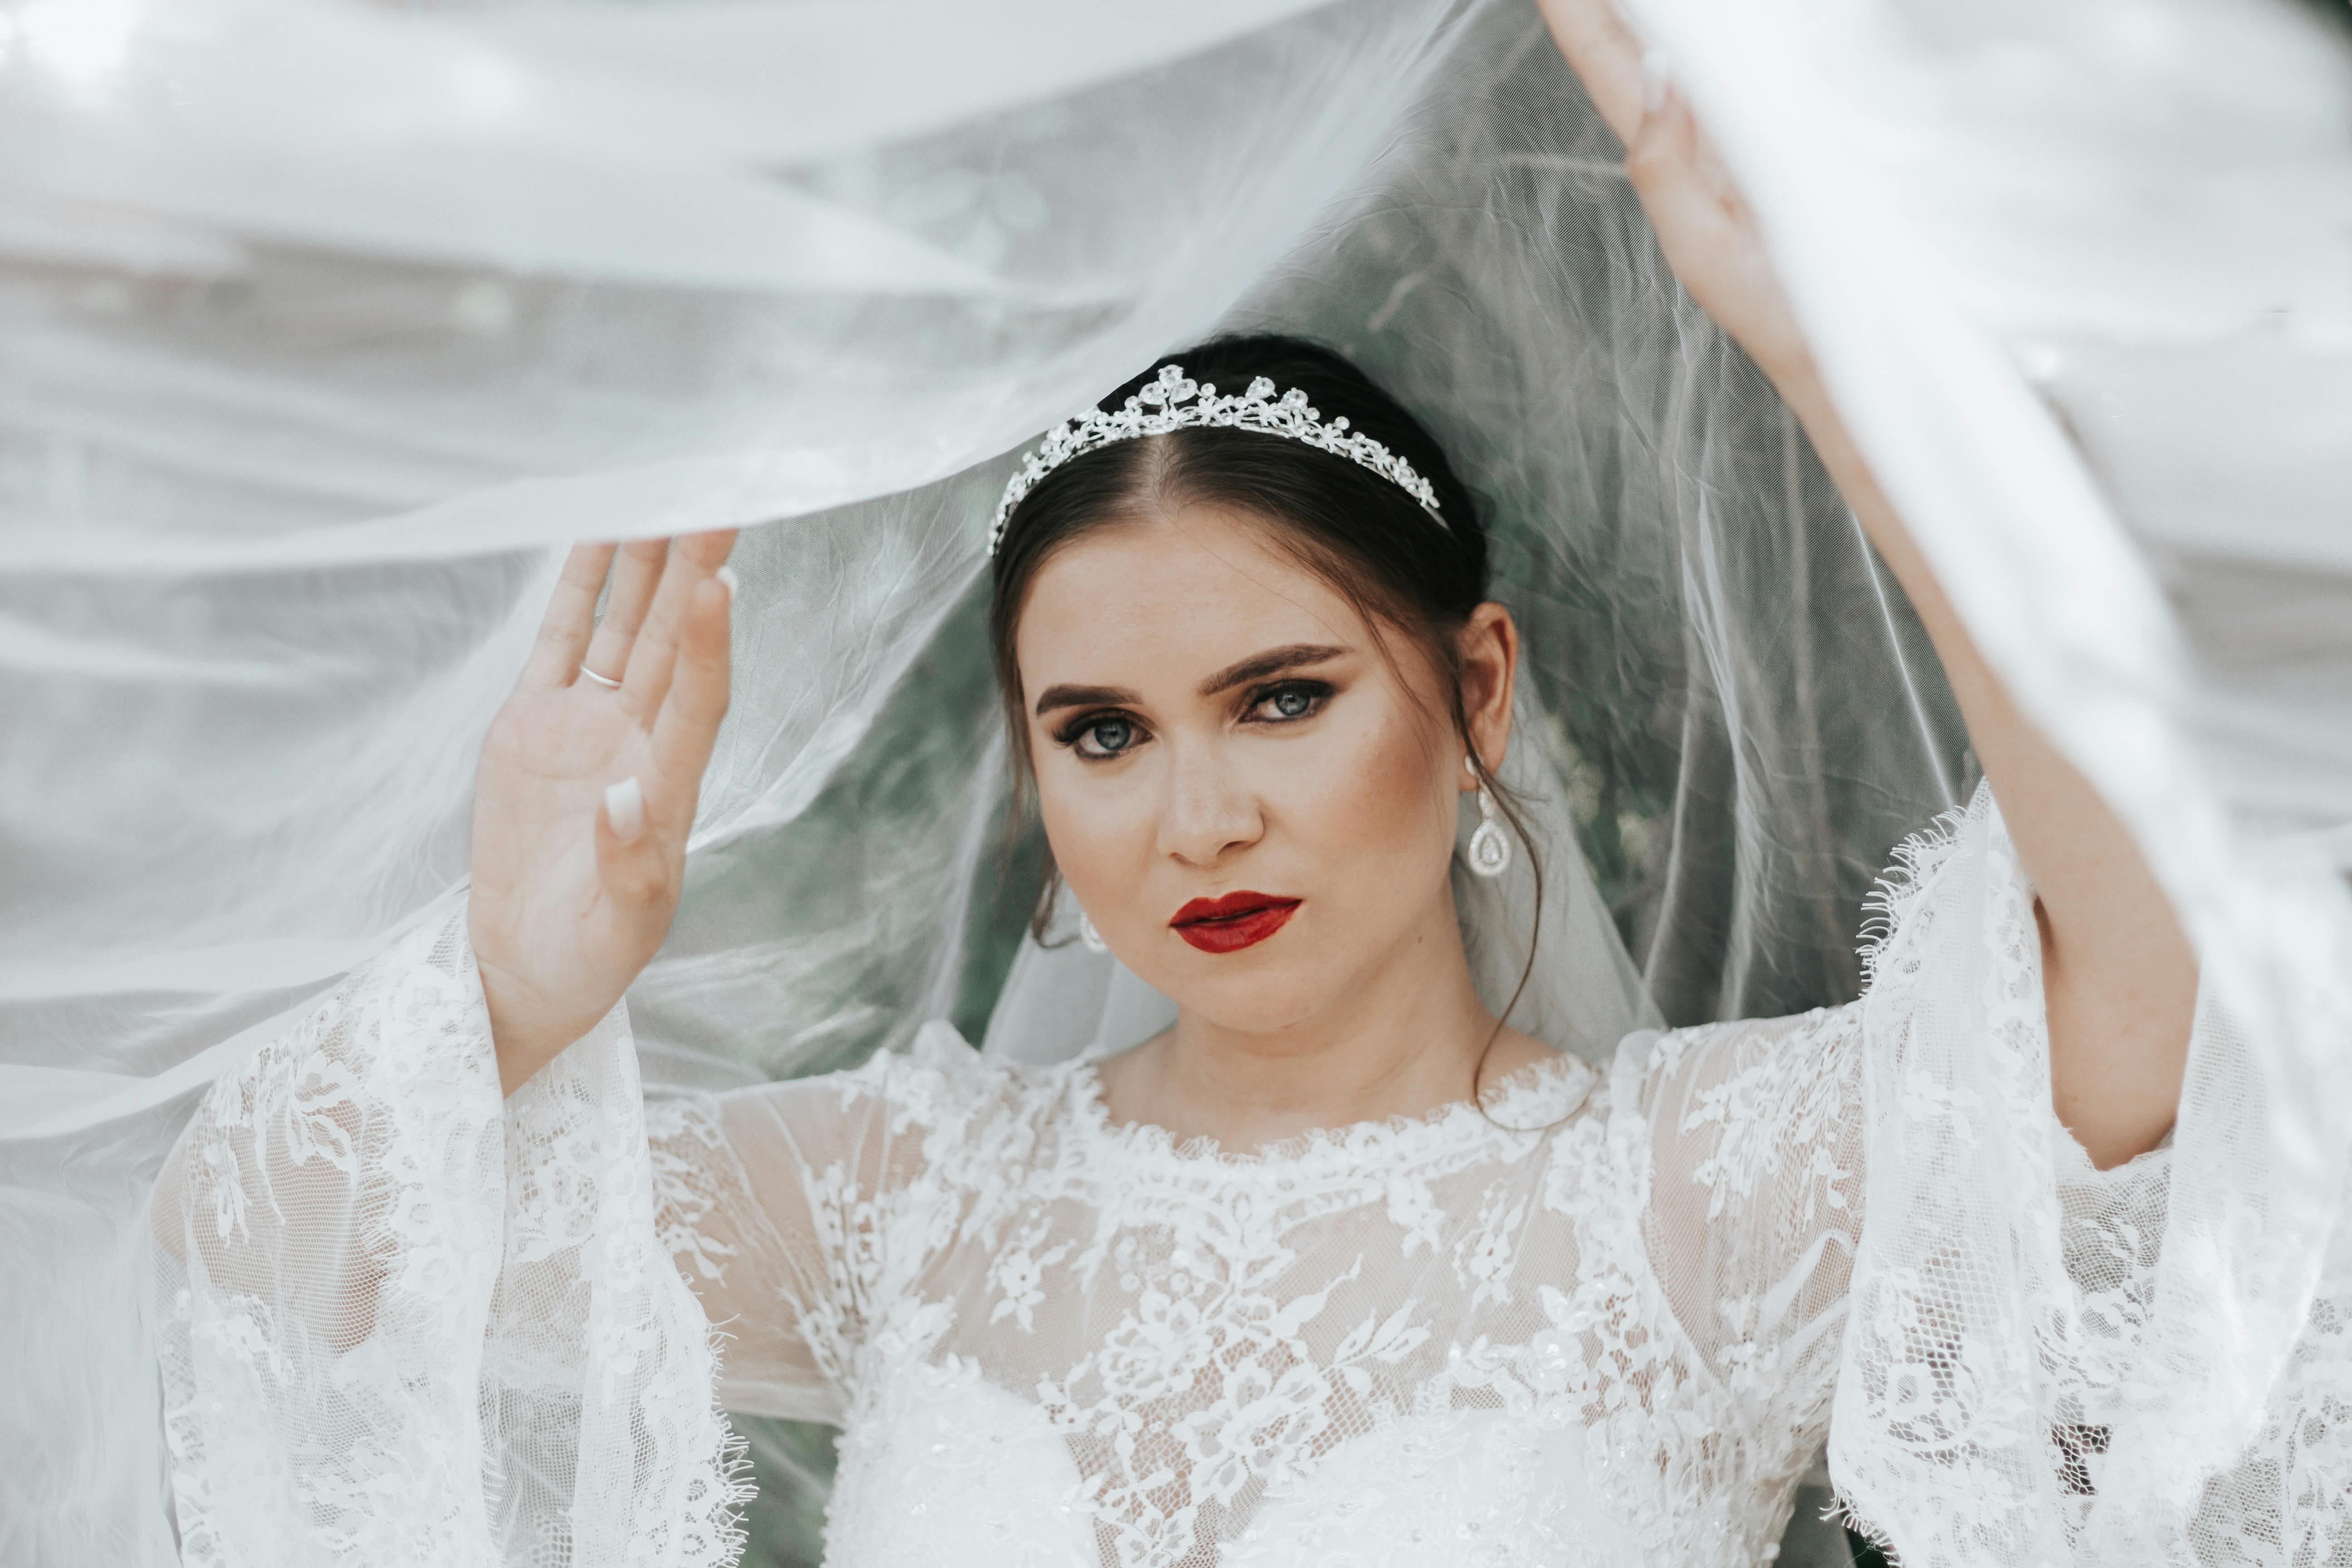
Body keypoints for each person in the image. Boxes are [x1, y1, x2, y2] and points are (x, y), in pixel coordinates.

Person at [150, 8, 2194, 1565]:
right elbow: (264, 1263)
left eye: (1282, 700)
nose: (1194, 816)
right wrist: (513, 982)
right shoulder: (910, 1200)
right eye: (1103, 733)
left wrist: (1841, 361)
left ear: (1476, 691)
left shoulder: (1695, 1194)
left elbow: (2142, 979)